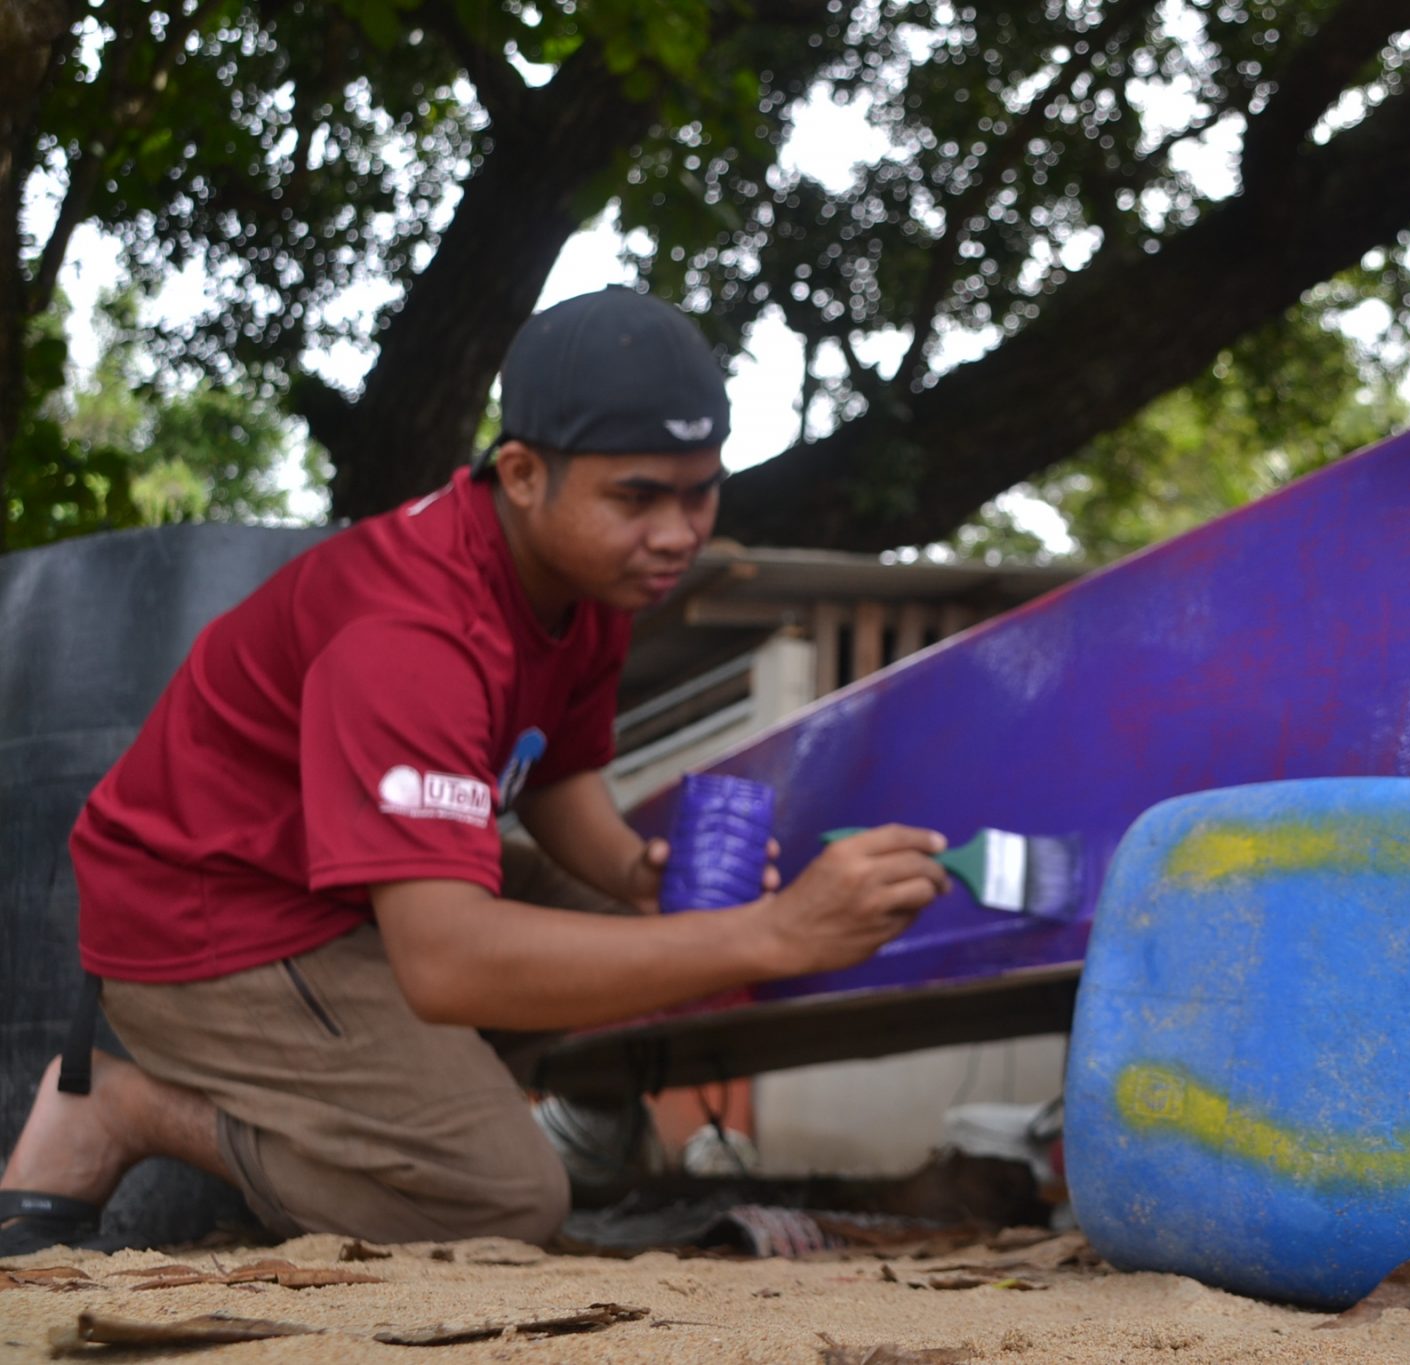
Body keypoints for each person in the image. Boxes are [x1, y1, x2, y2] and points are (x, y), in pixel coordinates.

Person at [0, 286, 951, 1256]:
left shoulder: (587, 582)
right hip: (212, 923)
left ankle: (473, 1123)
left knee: (666, 928)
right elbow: (448, 961)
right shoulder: (409, 633)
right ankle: (127, 1110)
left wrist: (631, 871)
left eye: (698, 489)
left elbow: (552, 771)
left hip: (353, 894)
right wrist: (776, 935)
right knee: (497, 1204)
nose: (676, 533)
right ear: (524, 472)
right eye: (636, 496)